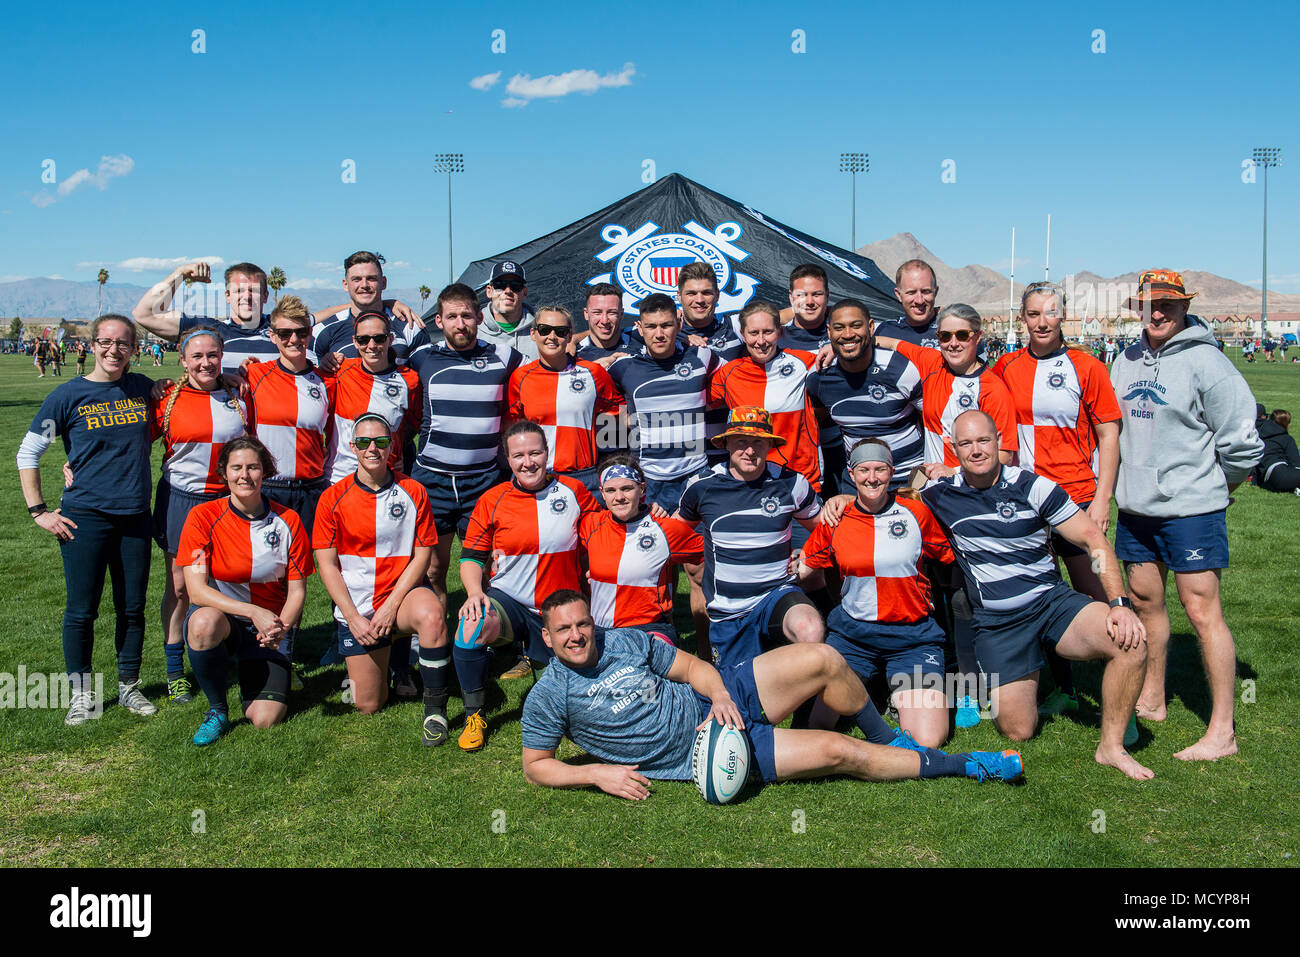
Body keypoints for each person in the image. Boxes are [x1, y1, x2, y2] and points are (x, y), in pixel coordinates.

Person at [521, 591, 1023, 800]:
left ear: (592, 621)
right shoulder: (547, 697)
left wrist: (718, 694)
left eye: (582, 623)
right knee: (839, 753)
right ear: (547, 637)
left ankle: (895, 739)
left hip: (718, 701)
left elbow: (693, 666)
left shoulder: (621, 639)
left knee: (823, 657)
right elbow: (536, 764)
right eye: (563, 630)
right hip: (705, 751)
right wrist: (597, 774)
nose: (576, 636)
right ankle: (968, 765)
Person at [920, 410, 1153, 780]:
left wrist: (1119, 604)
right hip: (998, 623)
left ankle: (1111, 745)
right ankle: (1029, 674)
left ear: (999, 441)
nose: (976, 450)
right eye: (966, 443)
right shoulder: (940, 494)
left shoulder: (1033, 486)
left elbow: (1093, 538)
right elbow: (884, 492)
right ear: (954, 448)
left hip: (1051, 604)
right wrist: (838, 503)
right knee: (1018, 731)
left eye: (983, 440)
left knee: (1130, 640)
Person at [1111, 269, 1263, 761]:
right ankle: (1152, 697)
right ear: (1137, 306)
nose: (1158, 313)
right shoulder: (1125, 359)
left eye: (1169, 305)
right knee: (1145, 604)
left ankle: (1223, 731)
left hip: (1191, 510)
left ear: (1184, 307)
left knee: (1201, 612)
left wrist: (1221, 487)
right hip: (1136, 510)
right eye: (1150, 304)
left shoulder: (1208, 362)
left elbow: (1242, 441)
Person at [18, 315, 158, 725]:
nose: (113, 350)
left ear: (134, 347)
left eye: (123, 343)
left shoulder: (142, 389)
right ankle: (80, 694)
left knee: (132, 608)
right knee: (82, 610)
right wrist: (38, 511)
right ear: (91, 345)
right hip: (84, 518)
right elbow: (27, 453)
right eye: (105, 342)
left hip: (135, 516)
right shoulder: (67, 395)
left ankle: (129, 687)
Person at [994, 282, 1123, 716]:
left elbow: (1109, 435)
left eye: (1050, 313)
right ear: (1022, 319)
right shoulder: (1005, 367)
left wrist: (1102, 499)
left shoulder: (1087, 367)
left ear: (1062, 317)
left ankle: (1122, 688)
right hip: (1028, 503)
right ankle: (1065, 689)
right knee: (1040, 593)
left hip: (1079, 498)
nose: (1042, 321)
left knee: (1099, 592)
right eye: (1033, 314)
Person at [453, 421, 600, 752]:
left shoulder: (574, 492)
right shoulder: (492, 499)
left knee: (580, 695)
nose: (528, 462)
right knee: (470, 626)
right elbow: (471, 557)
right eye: (519, 455)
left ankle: (548, 664)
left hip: (560, 608)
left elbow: (602, 535)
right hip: (511, 604)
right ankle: (474, 715)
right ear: (508, 459)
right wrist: (475, 593)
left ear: (548, 453)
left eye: (535, 452)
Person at [797, 440, 954, 747]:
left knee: (929, 739)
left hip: (913, 636)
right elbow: (804, 567)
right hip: (853, 637)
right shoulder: (836, 519)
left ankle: (889, 693)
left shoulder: (916, 514)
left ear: (891, 472)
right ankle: (876, 690)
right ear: (852, 474)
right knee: (815, 727)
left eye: (880, 469)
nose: (872, 477)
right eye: (864, 470)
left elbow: (948, 555)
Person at [313, 414, 451, 743]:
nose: (372, 448)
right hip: (359, 608)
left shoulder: (413, 490)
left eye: (381, 441)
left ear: (392, 446)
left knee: (432, 614)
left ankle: (435, 710)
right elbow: (327, 565)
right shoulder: (332, 498)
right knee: (367, 704)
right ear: (352, 447)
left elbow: (423, 555)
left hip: (400, 600)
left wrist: (390, 606)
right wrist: (352, 617)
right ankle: (391, 665)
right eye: (364, 442)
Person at [606, 293, 722, 659]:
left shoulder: (702, 357)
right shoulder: (622, 368)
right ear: (638, 328)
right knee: (656, 571)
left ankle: (706, 654)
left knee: (698, 570)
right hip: (650, 484)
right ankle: (665, 651)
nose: (660, 333)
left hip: (693, 480)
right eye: (652, 326)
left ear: (679, 325)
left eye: (667, 325)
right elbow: (602, 407)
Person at [177, 436, 313, 746]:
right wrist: (253, 611)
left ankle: (266, 668)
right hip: (227, 621)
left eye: (253, 467)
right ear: (223, 473)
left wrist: (281, 629)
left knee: (265, 719)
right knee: (202, 624)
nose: (244, 475)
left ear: (264, 471)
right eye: (236, 468)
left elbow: (297, 592)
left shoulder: (287, 520)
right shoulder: (203, 517)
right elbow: (196, 592)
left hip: (269, 629)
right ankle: (217, 710)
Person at [675, 406, 827, 675]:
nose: (750, 450)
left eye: (758, 442)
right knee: (739, 696)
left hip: (776, 594)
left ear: (769, 445)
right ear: (727, 444)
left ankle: (808, 713)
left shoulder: (792, 483)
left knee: (810, 628)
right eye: (741, 441)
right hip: (728, 607)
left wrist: (809, 554)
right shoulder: (701, 486)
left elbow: (823, 529)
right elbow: (675, 534)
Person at [152, 325, 249, 705]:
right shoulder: (167, 399)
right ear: (183, 359)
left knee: (229, 579)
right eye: (197, 356)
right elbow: (131, 442)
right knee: (179, 587)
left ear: (222, 356)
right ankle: (175, 668)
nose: (206, 362)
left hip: (226, 502)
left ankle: (233, 653)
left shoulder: (237, 394)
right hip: (181, 500)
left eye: (213, 355)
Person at [873, 303, 1018, 472]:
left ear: (978, 337)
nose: (953, 343)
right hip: (934, 488)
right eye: (945, 336)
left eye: (962, 335)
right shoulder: (931, 362)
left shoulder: (993, 389)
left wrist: (955, 471)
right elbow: (892, 344)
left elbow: (1005, 456)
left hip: (972, 490)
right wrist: (835, 349)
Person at [579, 455, 704, 645]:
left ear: (642, 489)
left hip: (651, 629)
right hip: (602, 630)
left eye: (627, 488)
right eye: (611, 490)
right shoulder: (590, 524)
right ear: (602, 493)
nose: (619, 497)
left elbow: (712, 554)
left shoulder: (666, 528)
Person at [804, 299, 925, 490]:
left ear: (870, 327)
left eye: (856, 325)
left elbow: (931, 421)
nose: (848, 334)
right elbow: (819, 420)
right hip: (858, 482)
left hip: (908, 479)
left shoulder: (900, 369)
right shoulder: (818, 378)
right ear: (829, 332)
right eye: (839, 328)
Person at [242, 296, 335, 539]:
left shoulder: (327, 381)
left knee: (301, 568)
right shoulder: (253, 375)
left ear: (310, 334)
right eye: (284, 333)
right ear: (272, 336)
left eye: (301, 332)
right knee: (265, 569)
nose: (294, 339)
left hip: (311, 490)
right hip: (268, 488)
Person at [507, 304, 621, 495]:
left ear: (569, 337)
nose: (552, 337)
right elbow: (512, 428)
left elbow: (618, 416)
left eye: (560, 331)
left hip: (585, 476)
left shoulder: (594, 373)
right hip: (537, 475)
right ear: (534, 334)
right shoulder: (520, 377)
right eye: (544, 330)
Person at [710, 301, 821, 492]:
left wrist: (833, 349)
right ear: (743, 335)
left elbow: (850, 351)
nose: (761, 341)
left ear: (779, 331)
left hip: (801, 482)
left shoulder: (806, 362)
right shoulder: (727, 374)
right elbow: (693, 402)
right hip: (750, 484)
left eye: (767, 332)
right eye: (753, 333)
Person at [322, 311, 422, 483]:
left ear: (390, 339)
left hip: (385, 479)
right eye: (363, 339)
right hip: (338, 478)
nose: (371, 345)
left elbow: (415, 424)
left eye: (379, 338)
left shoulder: (409, 380)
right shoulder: (337, 370)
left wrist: (397, 450)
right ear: (355, 342)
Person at [132, 261, 281, 374]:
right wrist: (180, 274)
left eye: (253, 290)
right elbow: (144, 314)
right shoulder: (208, 331)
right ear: (227, 296)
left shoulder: (287, 332)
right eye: (239, 291)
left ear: (265, 296)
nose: (246, 296)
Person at [781, 264, 846, 495]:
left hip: (839, 442)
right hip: (792, 447)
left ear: (827, 296)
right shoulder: (775, 336)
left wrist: (838, 344)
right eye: (801, 295)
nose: (809, 301)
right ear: (791, 297)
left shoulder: (845, 334)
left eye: (816, 294)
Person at [310, 250, 424, 367]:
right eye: (357, 279)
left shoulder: (410, 327)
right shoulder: (321, 332)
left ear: (383, 282)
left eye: (371, 278)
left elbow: (426, 375)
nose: (364, 285)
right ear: (345, 284)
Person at [574, 283, 633, 458]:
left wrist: (685, 336)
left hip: (638, 448)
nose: (605, 320)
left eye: (612, 313)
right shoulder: (571, 353)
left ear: (622, 314)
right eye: (597, 312)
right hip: (593, 452)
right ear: (586, 314)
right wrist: (592, 372)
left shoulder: (642, 340)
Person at [477, 261, 539, 359]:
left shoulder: (542, 330)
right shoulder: (473, 331)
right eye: (500, 285)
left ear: (525, 292)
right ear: (489, 291)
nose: (508, 291)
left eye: (515, 286)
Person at [877, 259, 942, 349]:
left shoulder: (953, 330)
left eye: (926, 291)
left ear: (935, 292)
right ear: (899, 295)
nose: (919, 300)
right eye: (911, 292)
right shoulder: (885, 332)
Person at [1253, 409, 1300, 493]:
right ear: (1286, 424)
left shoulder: (1259, 433)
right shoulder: (1286, 438)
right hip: (1280, 472)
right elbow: (1296, 464)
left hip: (1266, 479)